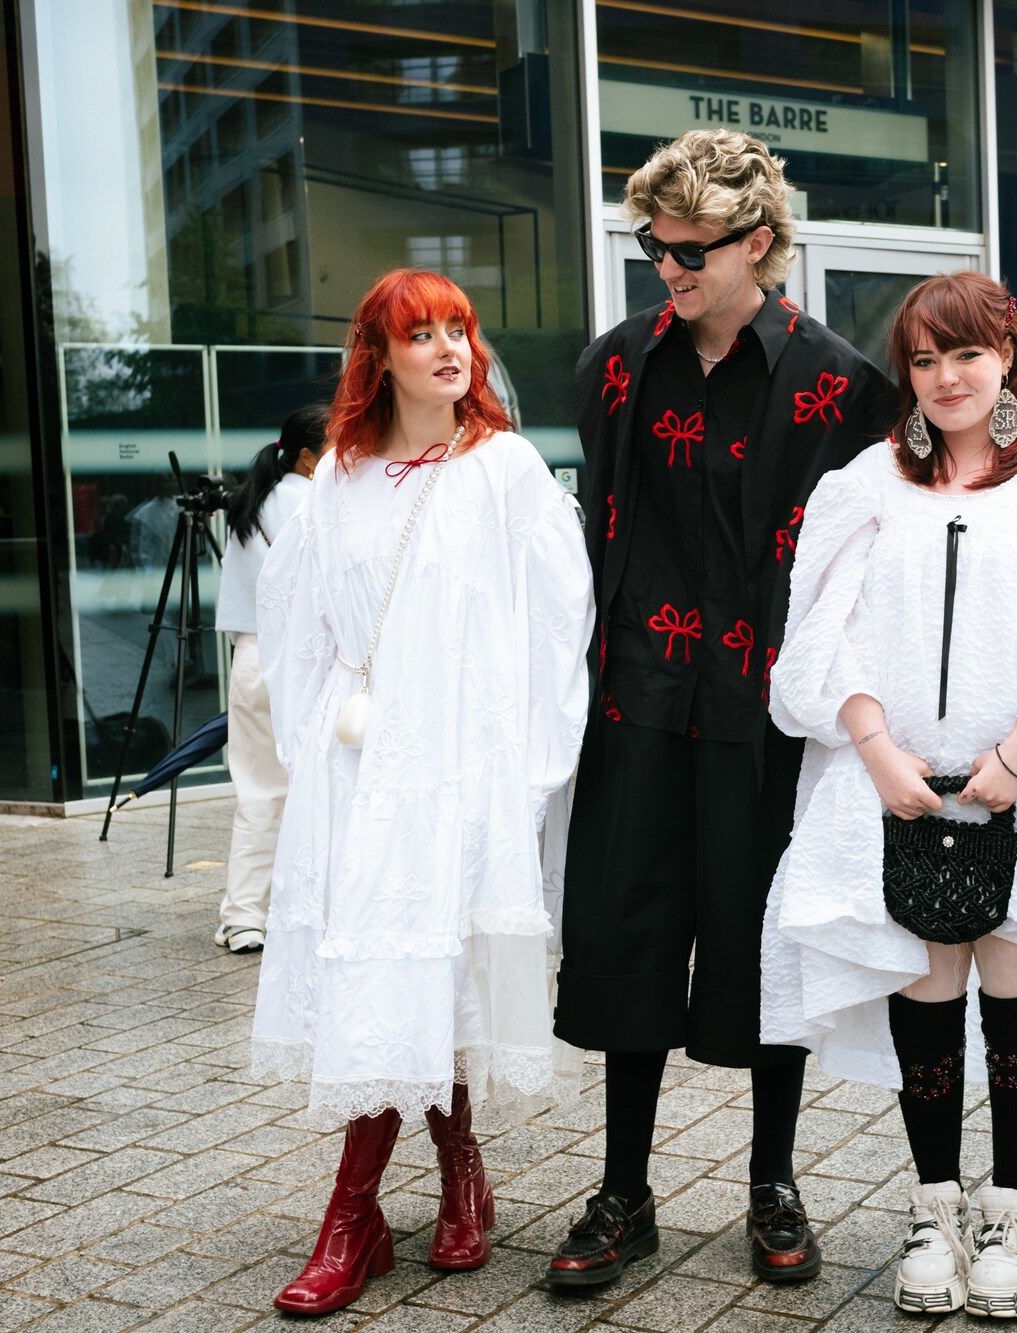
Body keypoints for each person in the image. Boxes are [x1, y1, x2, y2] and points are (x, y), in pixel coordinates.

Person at [761, 272, 1017, 1319]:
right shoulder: (863, 485)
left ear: (1006, 360)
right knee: (924, 982)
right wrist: (874, 746)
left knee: (1015, 979)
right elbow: (817, 638)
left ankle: (1016, 1211)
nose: (945, 377)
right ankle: (933, 1208)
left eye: (965, 355)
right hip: (891, 785)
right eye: (924, 358)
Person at [550, 129, 895, 1291]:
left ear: (759, 243)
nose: (665, 267)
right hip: (638, 700)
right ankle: (622, 1189)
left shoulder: (844, 386)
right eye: (652, 246)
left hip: (768, 716)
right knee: (628, 933)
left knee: (768, 941)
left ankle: (772, 1182)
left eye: (688, 249)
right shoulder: (612, 366)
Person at [252, 268, 593, 1316]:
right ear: (380, 355)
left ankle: (351, 1219)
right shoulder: (335, 484)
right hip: (363, 775)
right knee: (399, 981)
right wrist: (321, 753)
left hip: (462, 768)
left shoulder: (505, 470)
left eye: (461, 329)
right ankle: (454, 1174)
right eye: (423, 333)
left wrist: (527, 766)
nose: (450, 349)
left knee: (420, 976)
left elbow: (555, 621)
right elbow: (297, 627)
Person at [213, 405, 325, 955]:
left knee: (258, 793)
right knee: (318, 791)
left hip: (249, 659)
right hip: (302, 662)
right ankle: (304, 910)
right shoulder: (319, 502)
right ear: (308, 456)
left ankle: (242, 917)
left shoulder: (248, 505)